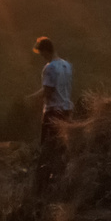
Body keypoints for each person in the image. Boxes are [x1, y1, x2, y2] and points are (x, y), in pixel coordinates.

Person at [34, 36, 73, 188]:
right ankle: (61, 176)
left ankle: (44, 181)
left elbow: (48, 91)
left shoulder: (49, 68)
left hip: (52, 111)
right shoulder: (66, 65)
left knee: (47, 146)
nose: (41, 56)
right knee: (62, 145)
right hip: (66, 109)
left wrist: (33, 98)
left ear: (45, 51)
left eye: (41, 53)